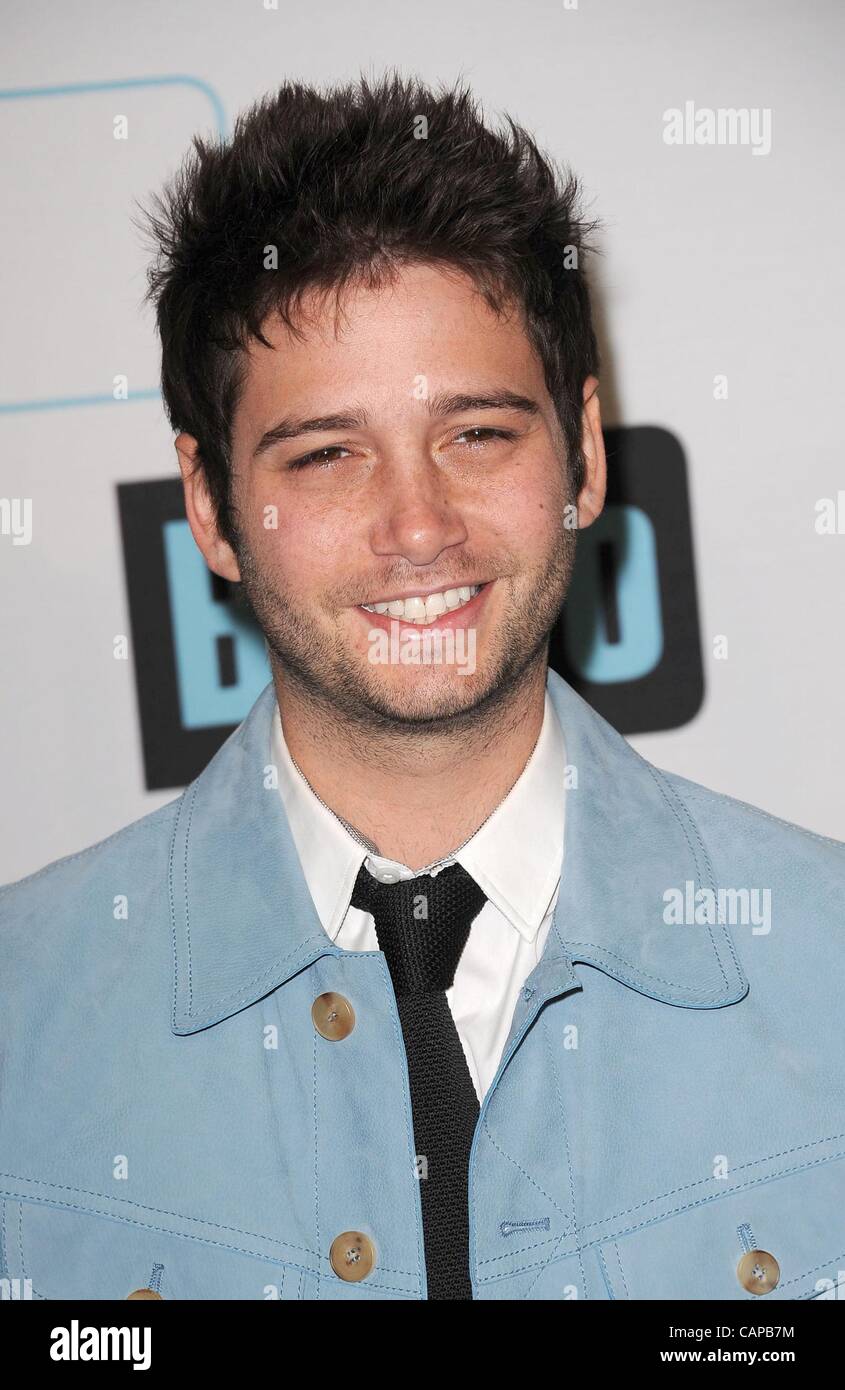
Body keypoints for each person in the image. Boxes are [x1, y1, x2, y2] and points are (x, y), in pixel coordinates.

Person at [1, 72, 843, 1303]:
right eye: (328, 454)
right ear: (208, 506)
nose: (416, 527)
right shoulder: (24, 1022)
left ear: (585, 452)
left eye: (478, 434)